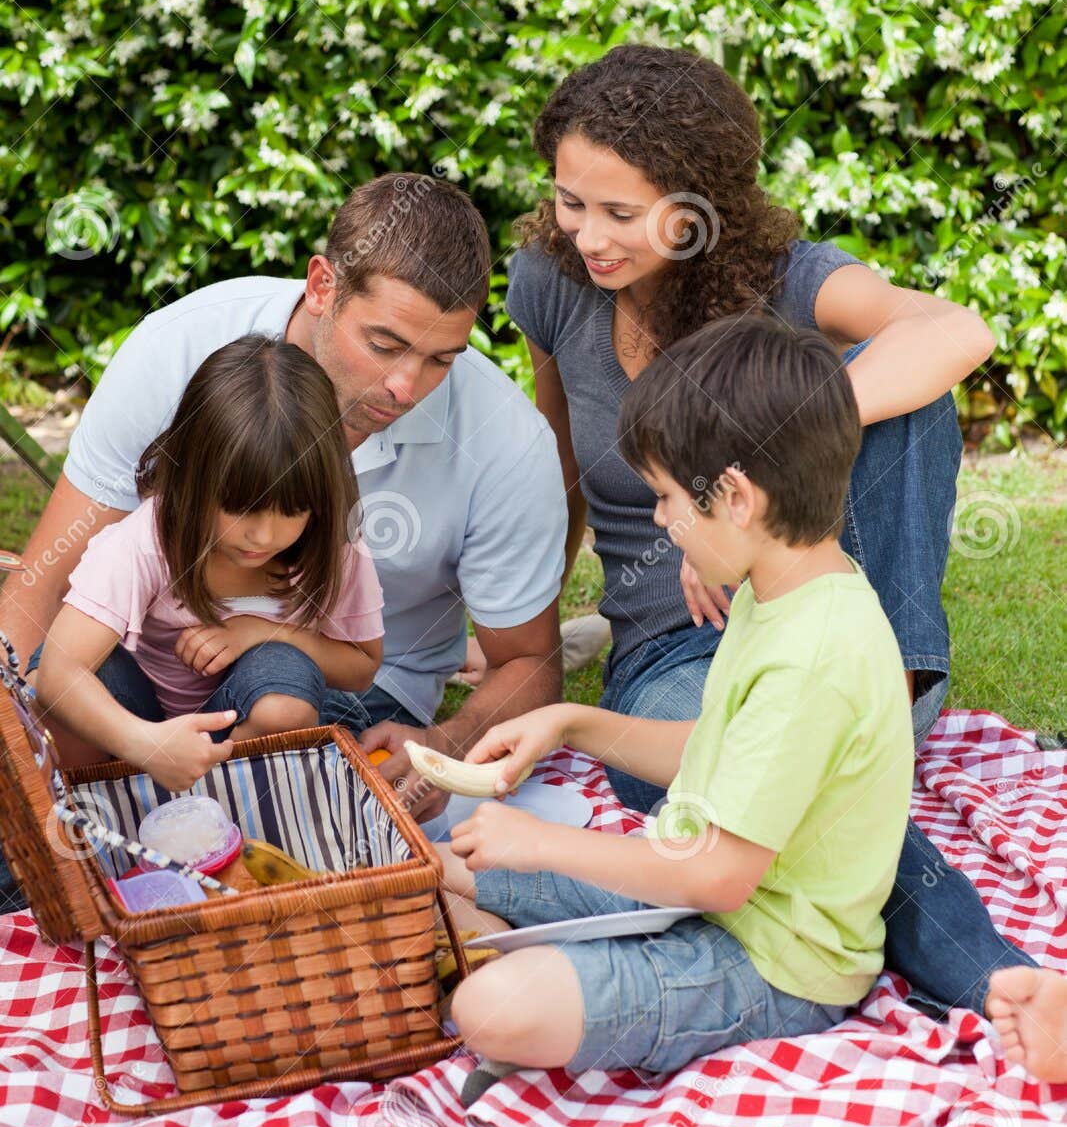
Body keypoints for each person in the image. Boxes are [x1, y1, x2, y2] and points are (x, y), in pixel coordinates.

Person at [501, 42, 1067, 1083]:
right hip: (670, 643)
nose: (584, 234)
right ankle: (881, 783)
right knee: (753, 778)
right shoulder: (549, 281)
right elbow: (554, 471)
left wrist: (754, 464)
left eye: (618, 213)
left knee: (899, 386)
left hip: (810, 606)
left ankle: (998, 970)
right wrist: (527, 648)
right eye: (568, 201)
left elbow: (956, 328)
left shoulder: (781, 279)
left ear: (695, 203)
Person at [0, 172, 566, 844]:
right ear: (322, 286)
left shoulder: (504, 439)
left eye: (441, 359)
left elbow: (529, 662)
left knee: (288, 720)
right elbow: (41, 594)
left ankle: (254, 850)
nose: (403, 386)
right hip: (129, 692)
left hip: (354, 702)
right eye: (384, 344)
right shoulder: (180, 347)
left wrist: (442, 742)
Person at [438, 315, 915, 1080]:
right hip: (696, 896)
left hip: (771, 961)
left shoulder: (812, 657)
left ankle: (491, 939)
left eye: (664, 499)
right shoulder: (780, 588)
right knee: (442, 869)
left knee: (490, 1011)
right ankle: (487, 926)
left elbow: (717, 874)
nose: (660, 521)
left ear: (733, 497)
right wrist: (571, 722)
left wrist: (539, 843)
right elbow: (718, 752)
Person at [32, 336, 384, 791]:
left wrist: (262, 630)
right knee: (61, 690)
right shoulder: (150, 539)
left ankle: (222, 817)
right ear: (192, 479)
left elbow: (361, 667)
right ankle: (100, 813)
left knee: (285, 699)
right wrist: (147, 745)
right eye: (241, 508)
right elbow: (57, 673)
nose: (263, 536)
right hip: (126, 726)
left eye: (292, 510)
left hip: (229, 737)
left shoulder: (334, 543)